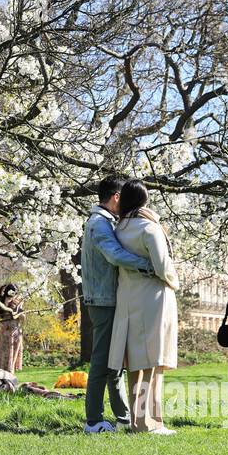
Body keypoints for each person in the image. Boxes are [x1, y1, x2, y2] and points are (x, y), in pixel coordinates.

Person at [80, 175, 156, 434]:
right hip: (104, 301)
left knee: (114, 362)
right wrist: (148, 264)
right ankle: (93, 421)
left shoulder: (106, 222)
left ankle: (122, 416)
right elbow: (114, 255)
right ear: (116, 197)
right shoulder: (99, 224)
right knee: (102, 361)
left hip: (110, 300)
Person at [107, 181, 180, 435]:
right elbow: (162, 266)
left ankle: (141, 421)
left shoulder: (119, 229)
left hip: (129, 298)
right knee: (152, 360)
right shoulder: (149, 228)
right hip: (153, 298)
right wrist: (175, 280)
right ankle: (150, 421)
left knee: (136, 364)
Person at [0, 283, 25, 373]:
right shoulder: (1, 301)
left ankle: (10, 378)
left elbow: (23, 317)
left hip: (15, 332)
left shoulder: (18, 302)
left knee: (12, 357)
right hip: (4, 333)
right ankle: (2, 378)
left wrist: (18, 312)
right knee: (3, 356)